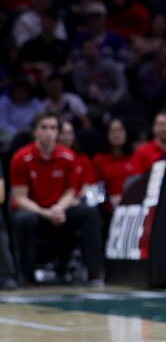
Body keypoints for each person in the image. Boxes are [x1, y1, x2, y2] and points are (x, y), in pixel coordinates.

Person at [8, 113, 100, 284]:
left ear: (58, 133)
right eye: (43, 128)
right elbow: (20, 197)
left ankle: (95, 274)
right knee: (24, 219)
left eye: (53, 128)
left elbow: (71, 192)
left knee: (89, 213)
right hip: (35, 211)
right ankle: (26, 277)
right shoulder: (21, 158)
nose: (48, 133)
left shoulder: (69, 157)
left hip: (59, 210)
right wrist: (45, 212)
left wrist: (59, 208)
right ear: (35, 131)